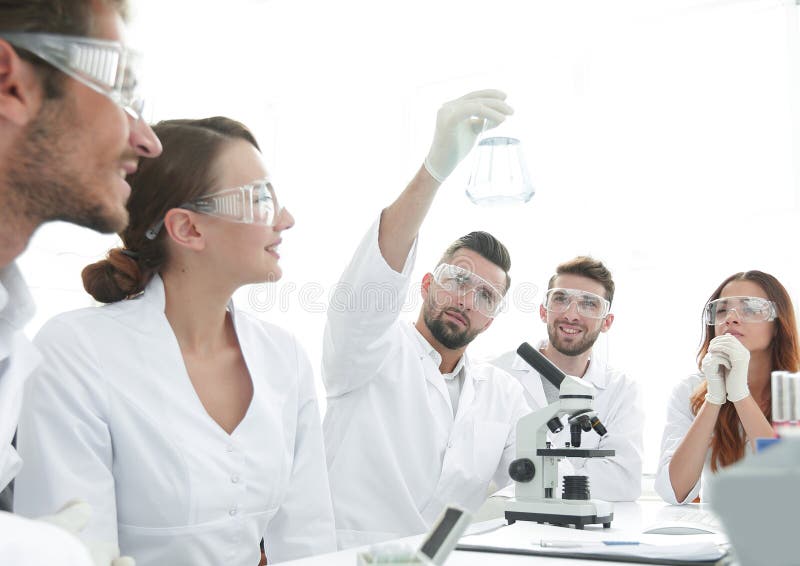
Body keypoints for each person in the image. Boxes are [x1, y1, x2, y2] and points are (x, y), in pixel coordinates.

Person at [14, 117, 337, 565]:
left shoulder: (284, 358)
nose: (285, 219)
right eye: (261, 199)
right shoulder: (76, 351)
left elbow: (309, 541)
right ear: (188, 229)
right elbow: (75, 549)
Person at [322, 90, 531, 548]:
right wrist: (434, 170)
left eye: (485, 295)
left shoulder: (503, 393)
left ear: (491, 319)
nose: (465, 298)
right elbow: (374, 279)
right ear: (425, 284)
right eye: (456, 279)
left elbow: (536, 476)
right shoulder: (368, 349)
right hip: (345, 556)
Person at [0, 0, 161, 563]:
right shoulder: (67, 346)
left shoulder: (9, 324)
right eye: (122, 91)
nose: (147, 140)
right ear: (10, 85)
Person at [491, 256, 644, 501]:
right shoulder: (498, 374)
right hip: (511, 525)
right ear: (543, 311)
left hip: (584, 534)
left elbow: (623, 482)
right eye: (561, 299)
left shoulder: (621, 390)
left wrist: (546, 478)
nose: (571, 315)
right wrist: (579, 476)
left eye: (589, 304)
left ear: (607, 322)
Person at [655, 270, 800, 504]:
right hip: (718, 535)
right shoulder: (690, 390)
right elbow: (675, 492)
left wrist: (740, 394)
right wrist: (714, 398)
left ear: (777, 325)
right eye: (722, 310)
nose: (730, 318)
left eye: (750, 309)